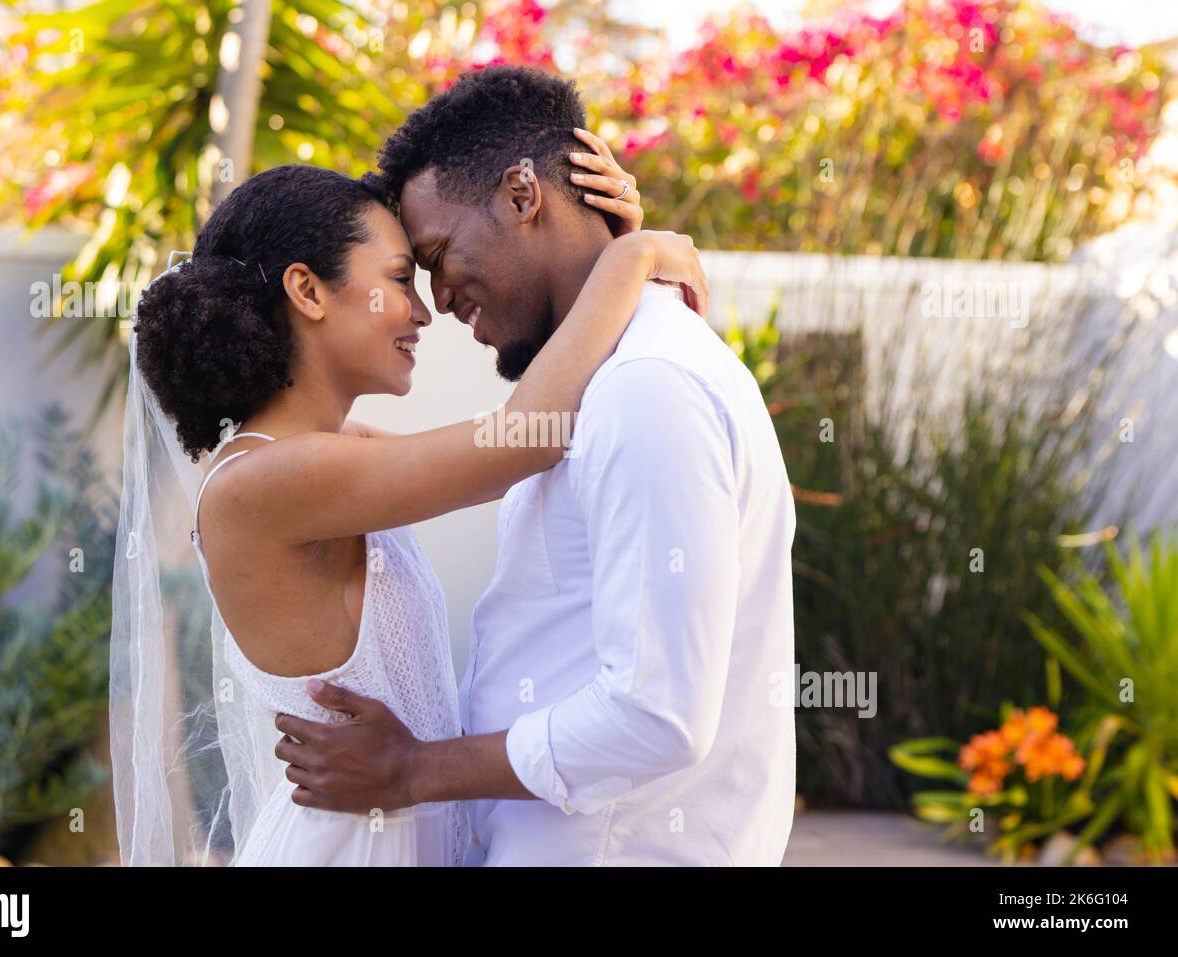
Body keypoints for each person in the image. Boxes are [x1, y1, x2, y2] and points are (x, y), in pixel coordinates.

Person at [112, 142, 708, 865]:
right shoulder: (262, 483)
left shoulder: (333, 455)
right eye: (398, 279)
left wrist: (587, 249)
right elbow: (523, 439)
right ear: (307, 291)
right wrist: (628, 260)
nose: (423, 311)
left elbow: (544, 414)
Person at [274, 65, 798, 867]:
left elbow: (657, 713)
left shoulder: (645, 386)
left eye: (439, 255)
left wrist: (414, 769)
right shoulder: (599, 382)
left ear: (524, 195)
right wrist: (631, 257)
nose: (437, 301)